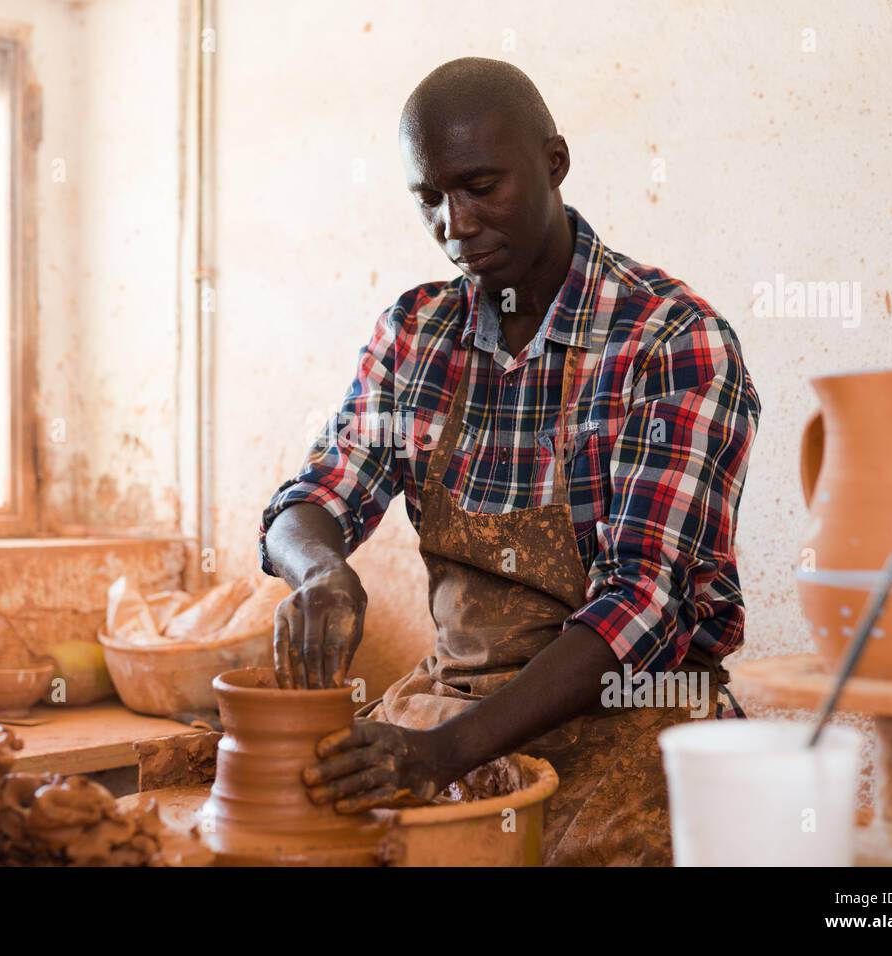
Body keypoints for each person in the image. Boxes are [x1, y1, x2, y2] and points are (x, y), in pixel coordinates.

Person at [259, 57, 761, 865]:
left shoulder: (669, 340)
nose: (454, 224)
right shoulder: (419, 333)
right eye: (430, 198)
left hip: (635, 716)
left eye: (480, 186)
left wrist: (442, 758)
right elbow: (316, 491)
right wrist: (319, 571)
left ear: (554, 163)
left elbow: (640, 608)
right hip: (457, 706)